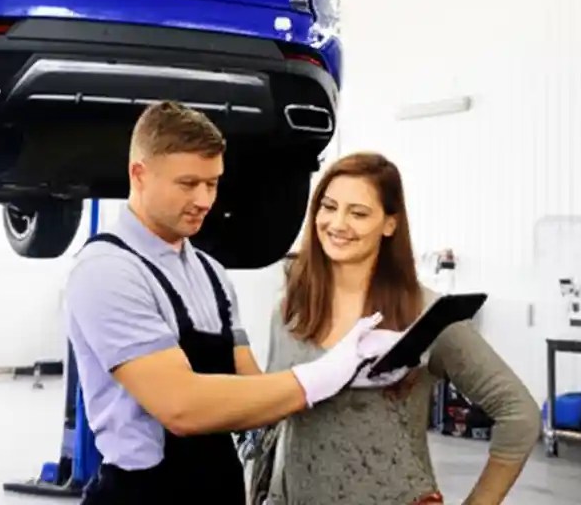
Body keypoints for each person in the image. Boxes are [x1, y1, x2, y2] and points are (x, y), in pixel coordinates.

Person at [66, 102, 401, 505]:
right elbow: (180, 406)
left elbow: (249, 389)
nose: (204, 200)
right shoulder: (107, 271)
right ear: (139, 174)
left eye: (212, 183)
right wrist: (318, 377)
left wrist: (350, 375)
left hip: (220, 488)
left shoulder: (212, 274)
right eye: (188, 183)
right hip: (145, 494)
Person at [264, 151, 541, 505]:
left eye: (359, 213)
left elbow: (519, 415)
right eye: (328, 207)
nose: (337, 223)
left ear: (390, 224)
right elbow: (271, 409)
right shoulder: (290, 312)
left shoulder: (425, 314)